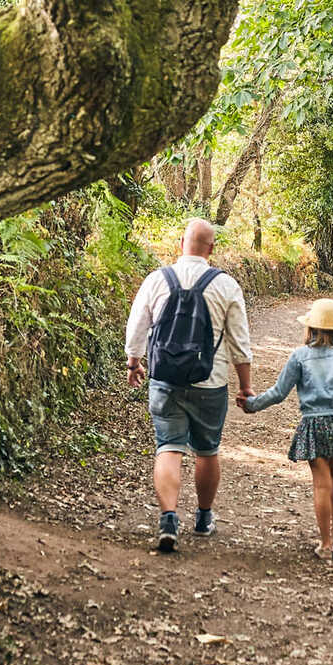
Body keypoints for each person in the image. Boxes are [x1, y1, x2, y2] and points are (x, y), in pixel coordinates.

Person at [125, 219, 253, 552]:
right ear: (211, 248)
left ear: (181, 242)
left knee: (168, 446)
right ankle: (203, 517)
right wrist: (245, 385)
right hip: (210, 382)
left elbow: (137, 327)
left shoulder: (157, 279)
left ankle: (168, 519)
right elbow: (240, 342)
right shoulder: (225, 285)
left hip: (165, 379)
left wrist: (134, 363)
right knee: (207, 450)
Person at [240, 298, 333, 558]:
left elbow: (278, 392)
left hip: (314, 424)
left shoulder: (300, 356)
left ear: (310, 328)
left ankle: (326, 544)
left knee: (321, 484)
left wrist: (252, 405)